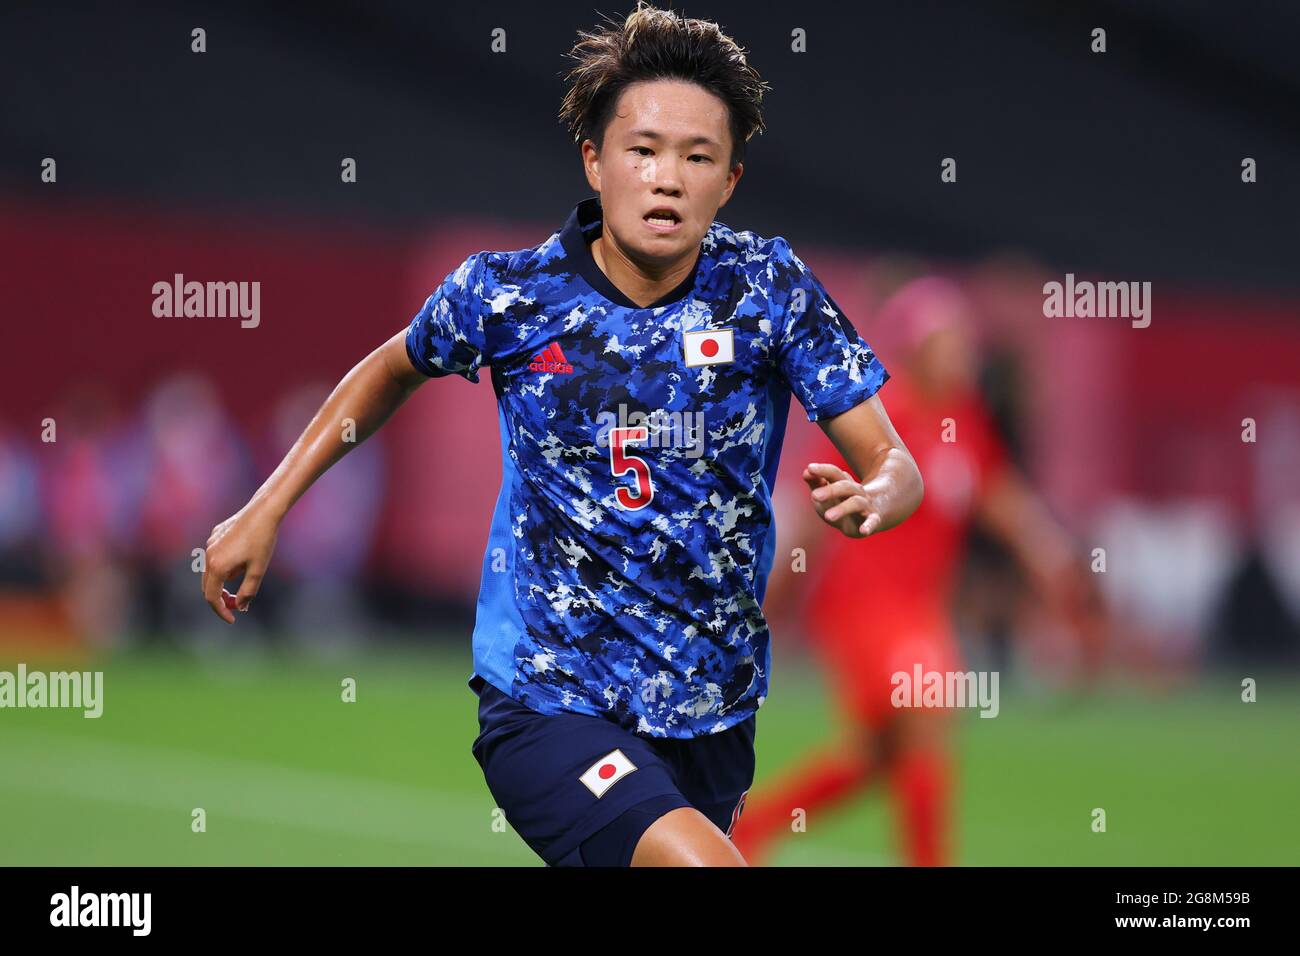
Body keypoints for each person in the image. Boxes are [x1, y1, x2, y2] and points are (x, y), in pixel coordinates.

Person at [201, 2, 922, 867]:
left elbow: (892, 459)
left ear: (729, 180)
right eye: (643, 150)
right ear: (596, 159)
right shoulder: (512, 296)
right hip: (548, 698)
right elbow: (390, 369)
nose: (667, 177)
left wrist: (882, 493)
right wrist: (266, 507)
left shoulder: (767, 290)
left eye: (698, 158)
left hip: (713, 707)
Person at [730, 276, 1104, 866]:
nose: (960, 353)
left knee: (885, 754)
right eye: (946, 340)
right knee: (929, 714)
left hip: (918, 610)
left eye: (962, 340)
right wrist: (766, 593)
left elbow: (999, 498)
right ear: (916, 346)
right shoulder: (879, 418)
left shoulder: (962, 419)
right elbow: (806, 510)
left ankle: (757, 827)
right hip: (865, 608)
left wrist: (1054, 560)